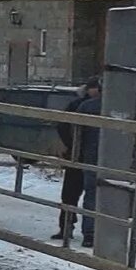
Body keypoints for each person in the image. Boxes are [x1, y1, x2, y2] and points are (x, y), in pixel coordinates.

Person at [58, 75, 104, 246]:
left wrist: (74, 149)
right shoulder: (81, 105)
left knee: (76, 194)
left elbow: (66, 127)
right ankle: (69, 228)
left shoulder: (83, 106)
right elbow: (65, 127)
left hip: (82, 155)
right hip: (83, 155)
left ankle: (76, 229)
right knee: (76, 194)